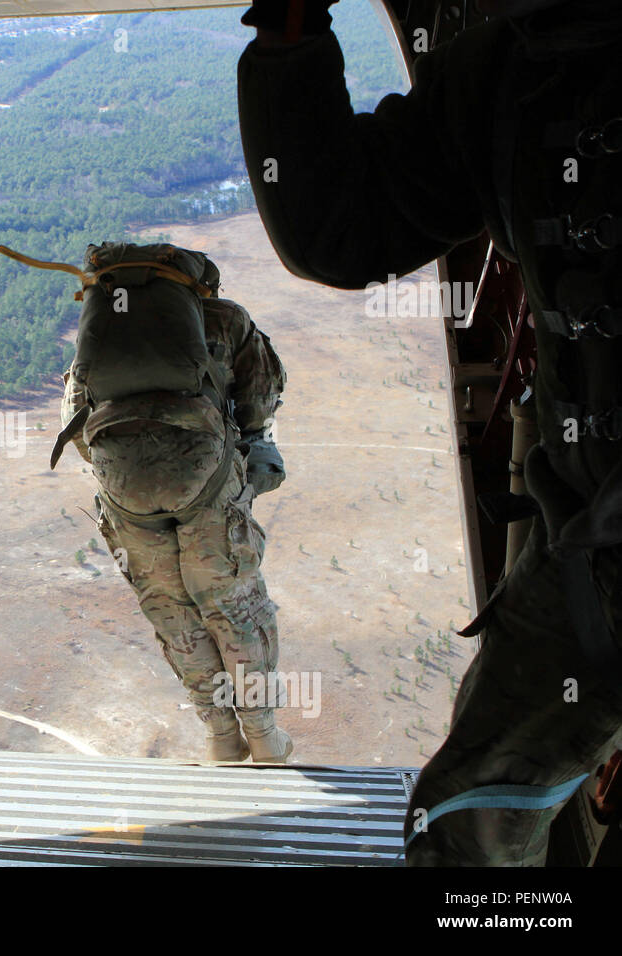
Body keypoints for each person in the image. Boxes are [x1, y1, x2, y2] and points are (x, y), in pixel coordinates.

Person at [236, 0, 622, 863]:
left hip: (592, 552)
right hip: (588, 542)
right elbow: (345, 226)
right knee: (471, 822)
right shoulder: (525, 63)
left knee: (473, 827)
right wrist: (290, 38)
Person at [55, 241, 289, 762]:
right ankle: (266, 737)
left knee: (173, 613)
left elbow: (76, 420)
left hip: (124, 486)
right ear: (196, 284)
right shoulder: (226, 318)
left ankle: (221, 737)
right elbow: (259, 400)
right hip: (204, 478)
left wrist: (128, 464)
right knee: (233, 606)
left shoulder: (105, 324)